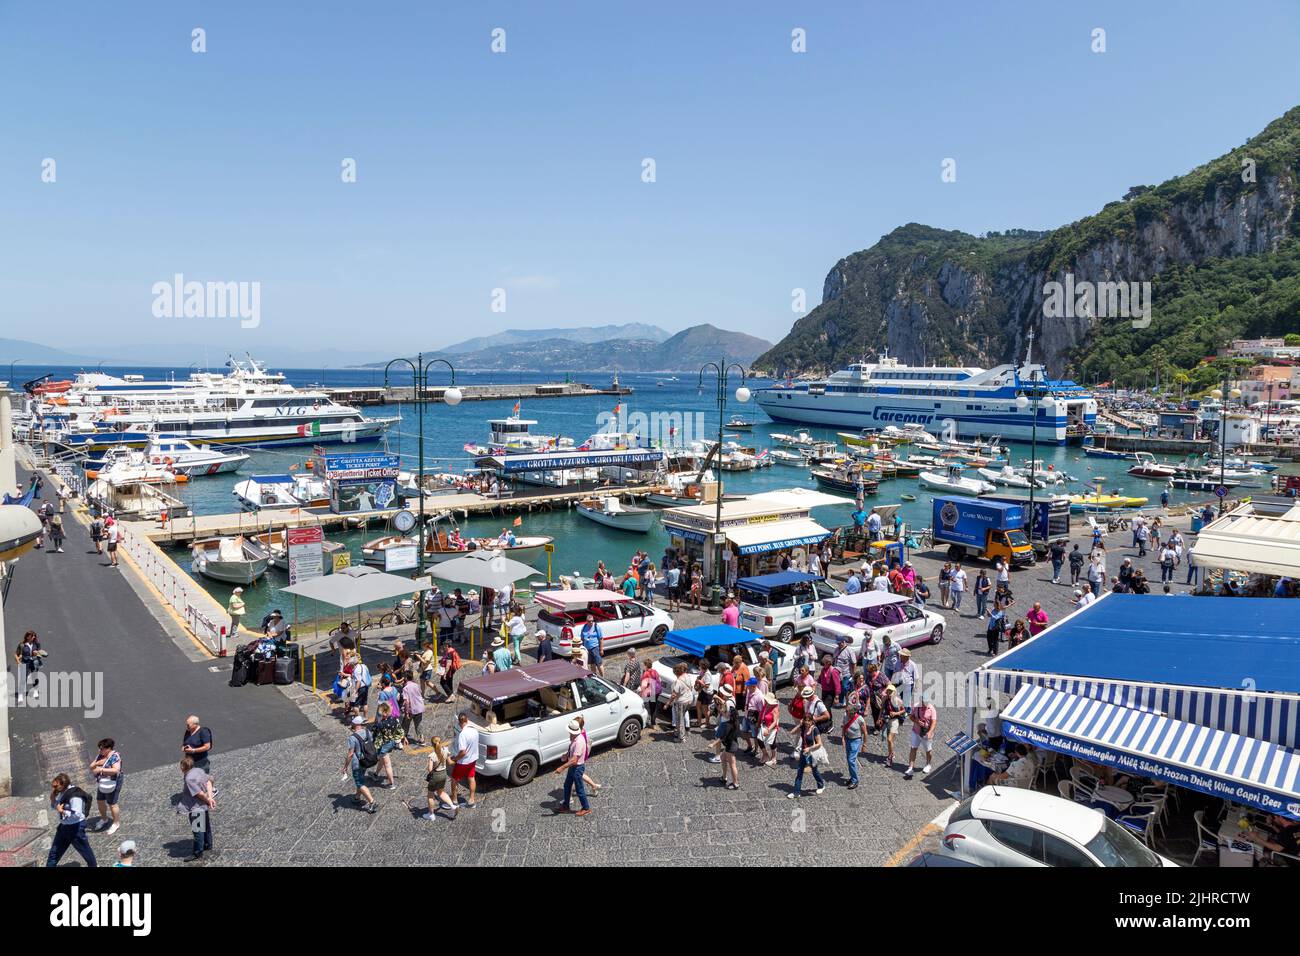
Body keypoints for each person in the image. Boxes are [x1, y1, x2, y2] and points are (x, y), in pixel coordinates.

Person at [47, 774, 96, 867]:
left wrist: (62, 811)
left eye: (55, 786)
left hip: (75, 828)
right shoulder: (63, 792)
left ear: (62, 784)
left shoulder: (75, 796)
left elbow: (76, 814)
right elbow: (59, 805)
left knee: (85, 851)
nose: (53, 788)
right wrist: (53, 801)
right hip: (64, 827)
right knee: (54, 852)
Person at [178, 755, 216, 860]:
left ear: (183, 768)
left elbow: (199, 794)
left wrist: (208, 799)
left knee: (198, 830)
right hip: (203, 805)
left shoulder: (189, 778)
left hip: (195, 807)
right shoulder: (199, 770)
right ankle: (208, 844)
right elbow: (209, 781)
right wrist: (210, 798)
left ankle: (197, 852)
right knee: (206, 826)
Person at [554, 719, 592, 816]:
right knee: (567, 786)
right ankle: (566, 805)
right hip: (573, 768)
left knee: (579, 789)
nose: (569, 734)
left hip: (577, 768)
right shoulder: (575, 738)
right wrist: (566, 755)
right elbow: (572, 752)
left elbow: (574, 760)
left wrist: (562, 768)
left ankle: (586, 808)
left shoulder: (579, 742)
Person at [89, 738, 124, 835]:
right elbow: (91, 766)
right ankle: (104, 819)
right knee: (100, 801)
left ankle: (116, 823)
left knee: (112, 803)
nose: (100, 751)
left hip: (113, 782)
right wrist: (96, 763)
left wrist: (101, 769)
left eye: (102, 749)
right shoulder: (101, 755)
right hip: (103, 782)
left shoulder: (114, 756)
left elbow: (116, 770)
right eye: (99, 748)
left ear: (108, 748)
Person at [788, 714, 826, 798]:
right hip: (803, 752)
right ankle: (796, 792)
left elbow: (819, 743)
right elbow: (792, 732)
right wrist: (799, 725)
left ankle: (821, 785)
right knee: (799, 771)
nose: (807, 722)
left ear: (812, 721)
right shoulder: (803, 727)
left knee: (814, 771)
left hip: (811, 753)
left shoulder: (815, 730)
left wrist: (809, 748)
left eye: (809, 720)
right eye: (806, 720)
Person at [420, 737, 456, 820]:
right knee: (441, 792)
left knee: (430, 795)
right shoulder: (446, 751)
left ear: (432, 744)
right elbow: (450, 762)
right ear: (440, 742)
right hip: (443, 774)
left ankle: (431, 814)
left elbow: (429, 769)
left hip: (435, 776)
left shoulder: (432, 755)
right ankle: (452, 806)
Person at [903, 693, 937, 779]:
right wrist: (917, 721)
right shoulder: (916, 706)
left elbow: (934, 722)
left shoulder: (931, 709)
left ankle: (928, 764)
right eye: (924, 702)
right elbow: (911, 717)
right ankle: (910, 768)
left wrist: (930, 732)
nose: (925, 704)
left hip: (926, 734)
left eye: (926, 702)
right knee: (913, 748)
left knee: (928, 750)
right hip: (916, 731)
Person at [449, 712, 479, 810]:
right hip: (473, 758)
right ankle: (471, 800)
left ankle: (454, 800)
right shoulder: (474, 730)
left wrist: (454, 759)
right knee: (471, 778)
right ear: (467, 720)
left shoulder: (463, 734)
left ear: (459, 722)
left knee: (454, 780)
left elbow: (463, 752)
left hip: (464, 762)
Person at [714, 685, 741, 789]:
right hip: (731, 739)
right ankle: (724, 777)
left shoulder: (728, 725)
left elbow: (726, 715)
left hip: (730, 743)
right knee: (723, 758)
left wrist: (719, 709)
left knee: (732, 763)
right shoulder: (732, 700)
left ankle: (735, 783)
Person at [842, 698, 866, 789]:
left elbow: (865, 732)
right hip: (848, 739)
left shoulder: (860, 719)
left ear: (853, 713)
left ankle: (855, 780)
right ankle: (852, 777)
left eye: (848, 712)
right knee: (849, 759)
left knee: (851, 760)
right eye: (846, 711)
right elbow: (844, 726)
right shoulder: (845, 716)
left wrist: (864, 744)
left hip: (856, 740)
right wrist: (843, 738)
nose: (846, 713)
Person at [669, 663, 695, 740]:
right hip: (689, 700)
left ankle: (681, 738)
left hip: (682, 702)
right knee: (682, 717)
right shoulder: (687, 676)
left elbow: (674, 695)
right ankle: (680, 731)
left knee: (679, 720)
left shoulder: (678, 681)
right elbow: (691, 687)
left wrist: (667, 703)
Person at [399, 674, 425, 744]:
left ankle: (403, 738)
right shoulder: (416, 685)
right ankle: (421, 739)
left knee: (406, 724)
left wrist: (407, 712)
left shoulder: (405, 688)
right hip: (419, 707)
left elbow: (407, 701)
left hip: (411, 709)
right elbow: (420, 693)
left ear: (406, 678)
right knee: (418, 724)